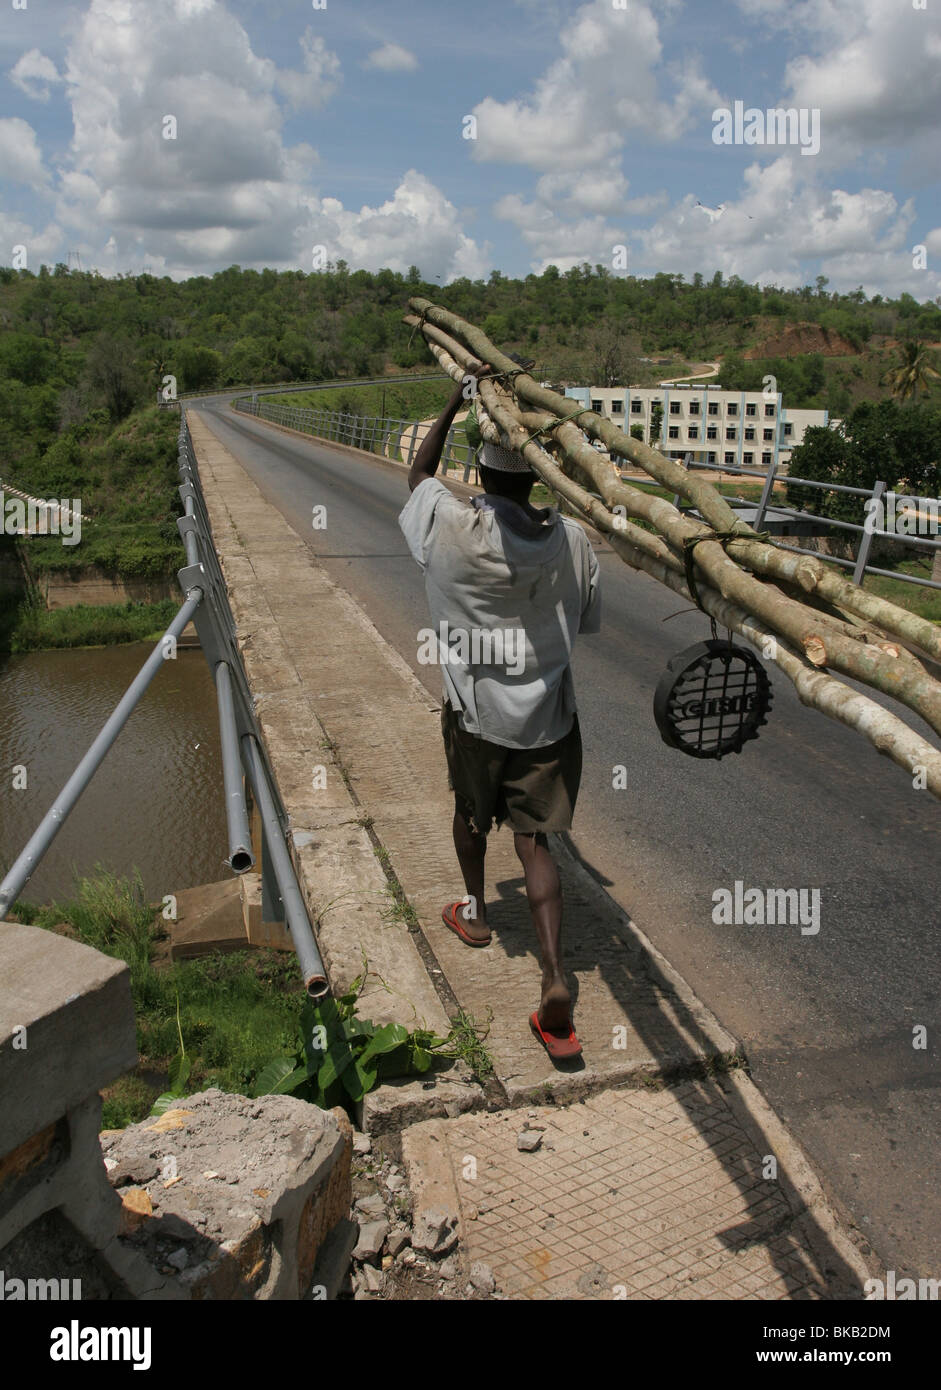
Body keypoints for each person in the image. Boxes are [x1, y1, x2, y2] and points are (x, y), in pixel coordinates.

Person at [398, 363, 601, 1060]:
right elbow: (589, 620)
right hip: (547, 717)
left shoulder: (449, 528)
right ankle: (552, 978)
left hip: (476, 712)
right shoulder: (572, 541)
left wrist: (456, 394)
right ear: (537, 476)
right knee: (536, 840)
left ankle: (477, 915)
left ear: (481, 477)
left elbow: (417, 476)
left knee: (469, 811)